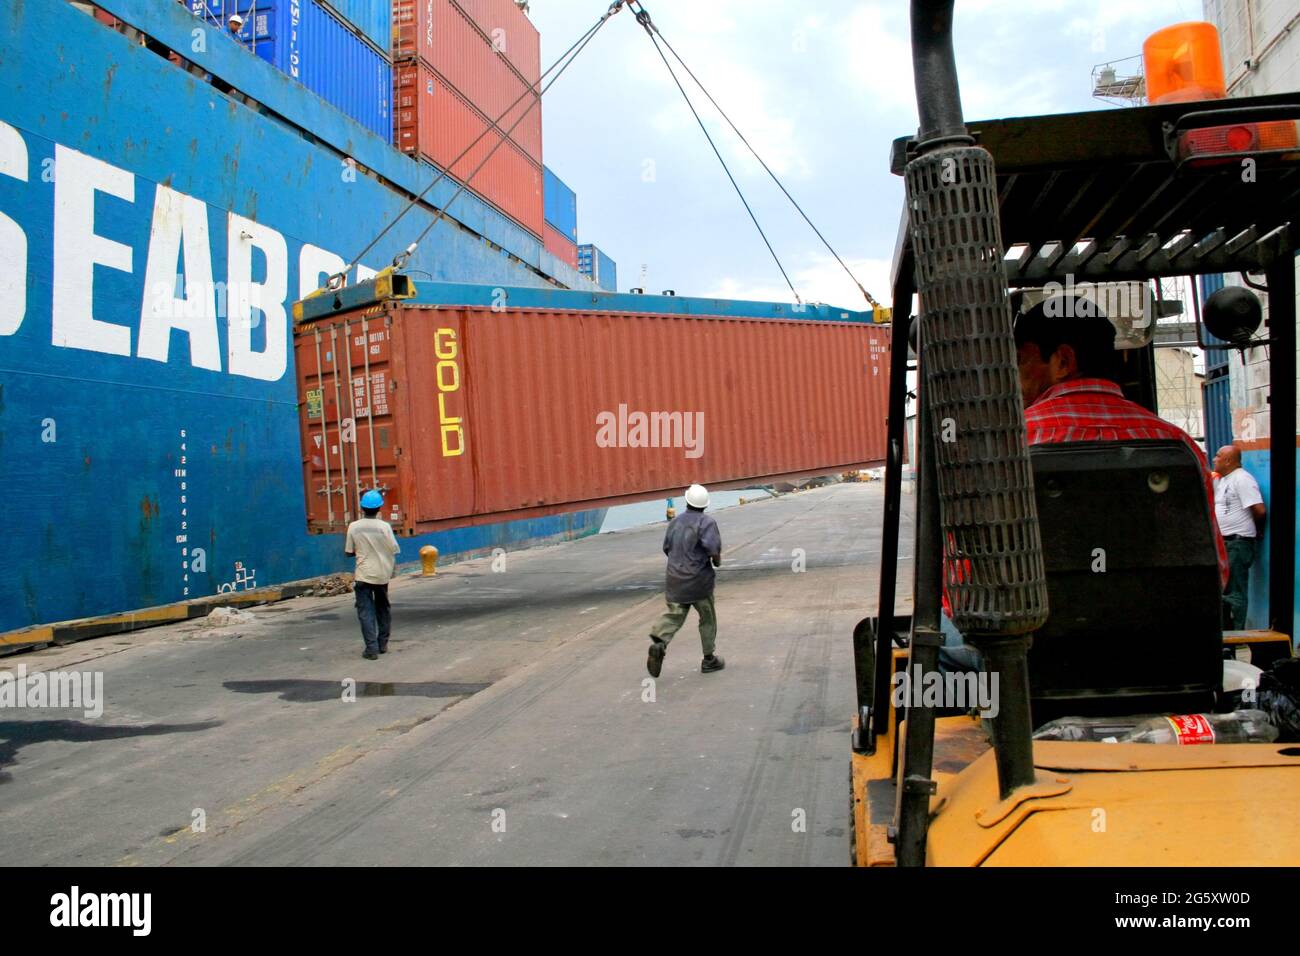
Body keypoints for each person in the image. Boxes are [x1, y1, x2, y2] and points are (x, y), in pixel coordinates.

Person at [939, 295, 1229, 671]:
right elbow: (1215, 576)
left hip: (1033, 667)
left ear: (1063, 360)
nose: (1015, 376)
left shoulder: (1001, 449)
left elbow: (963, 590)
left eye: (1022, 361)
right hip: (1162, 659)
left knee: (933, 643)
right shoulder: (1180, 447)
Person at [647, 483, 725, 677]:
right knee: (707, 619)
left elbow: (667, 548)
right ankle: (709, 660)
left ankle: (659, 642)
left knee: (675, 615)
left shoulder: (674, 523)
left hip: (675, 580)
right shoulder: (707, 522)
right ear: (705, 504)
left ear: (687, 500)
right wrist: (716, 561)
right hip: (699, 582)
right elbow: (713, 550)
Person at [1213, 444, 1266, 629]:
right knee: (1224, 593)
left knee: (1235, 593)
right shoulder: (1224, 479)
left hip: (1238, 542)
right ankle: (1227, 636)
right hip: (1226, 543)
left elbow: (1259, 510)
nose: (1214, 459)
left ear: (1228, 461)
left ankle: (1237, 635)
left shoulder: (1242, 479)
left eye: (1218, 456)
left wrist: (1257, 530)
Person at [346, 489, 401, 660]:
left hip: (363, 575)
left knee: (365, 612)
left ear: (362, 508)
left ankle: (371, 648)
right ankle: (382, 644)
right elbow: (394, 549)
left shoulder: (354, 527)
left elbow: (349, 552)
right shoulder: (385, 527)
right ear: (379, 508)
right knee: (383, 608)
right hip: (382, 574)